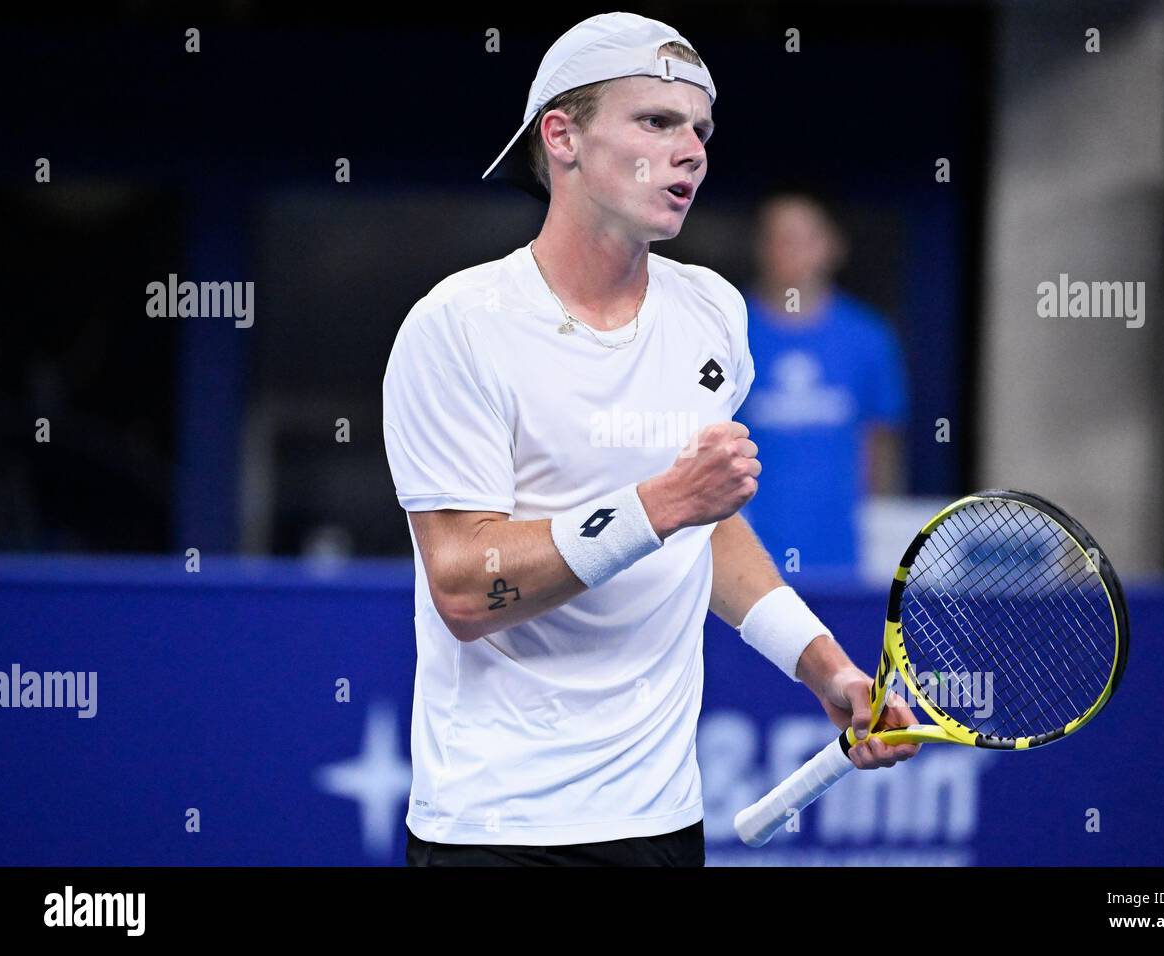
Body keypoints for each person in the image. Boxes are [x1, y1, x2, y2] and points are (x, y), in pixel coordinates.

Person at [382, 12, 920, 869]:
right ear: (561, 136)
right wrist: (664, 502)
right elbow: (461, 589)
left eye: (701, 129)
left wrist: (826, 668)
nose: (693, 150)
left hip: (665, 823)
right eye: (657, 121)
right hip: (501, 833)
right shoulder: (457, 326)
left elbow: (707, 531)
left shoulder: (712, 312)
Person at [736, 190, 910, 576]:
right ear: (760, 247)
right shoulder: (728, 331)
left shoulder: (867, 337)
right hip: (746, 552)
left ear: (832, 246)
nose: (791, 251)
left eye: (804, 238)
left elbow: (880, 441)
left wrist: (880, 526)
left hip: (840, 554)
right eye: (778, 238)